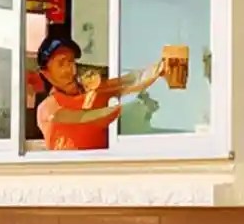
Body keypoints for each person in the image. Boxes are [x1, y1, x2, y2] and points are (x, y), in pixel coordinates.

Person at [34, 36, 165, 151]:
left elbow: (130, 81)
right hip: (69, 174)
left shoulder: (92, 93)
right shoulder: (48, 107)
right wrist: (117, 109)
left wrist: (159, 68)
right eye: (61, 64)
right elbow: (75, 117)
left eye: (72, 62)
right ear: (45, 73)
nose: (71, 70)